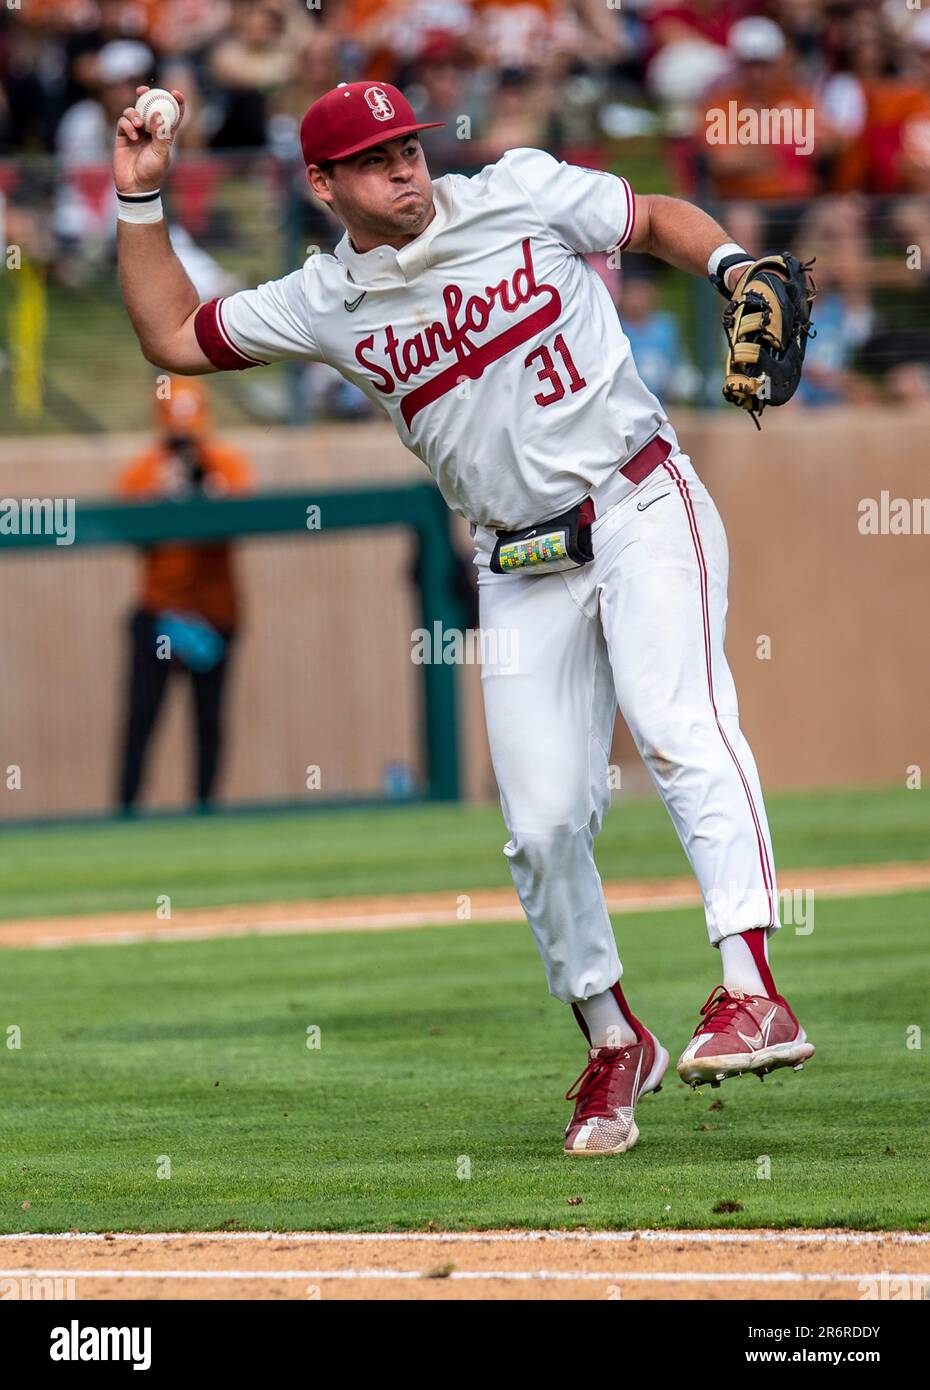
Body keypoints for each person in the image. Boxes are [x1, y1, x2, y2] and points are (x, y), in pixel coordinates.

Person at [113, 78, 815, 1156]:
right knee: (538, 823)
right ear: (323, 182)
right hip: (516, 560)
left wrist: (730, 266)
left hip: (636, 499)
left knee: (679, 723)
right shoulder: (320, 301)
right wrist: (141, 204)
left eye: (410, 144)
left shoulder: (519, 191)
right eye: (378, 156)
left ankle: (752, 984)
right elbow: (168, 333)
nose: (407, 165)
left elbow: (656, 217)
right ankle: (611, 1037)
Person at [116, 376, 251, 814]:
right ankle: (127, 809)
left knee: (209, 722)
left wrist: (210, 496)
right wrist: (163, 495)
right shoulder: (144, 469)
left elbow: (245, 516)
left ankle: (205, 808)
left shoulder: (225, 464)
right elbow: (130, 532)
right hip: (160, 613)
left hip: (214, 614)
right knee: (142, 718)